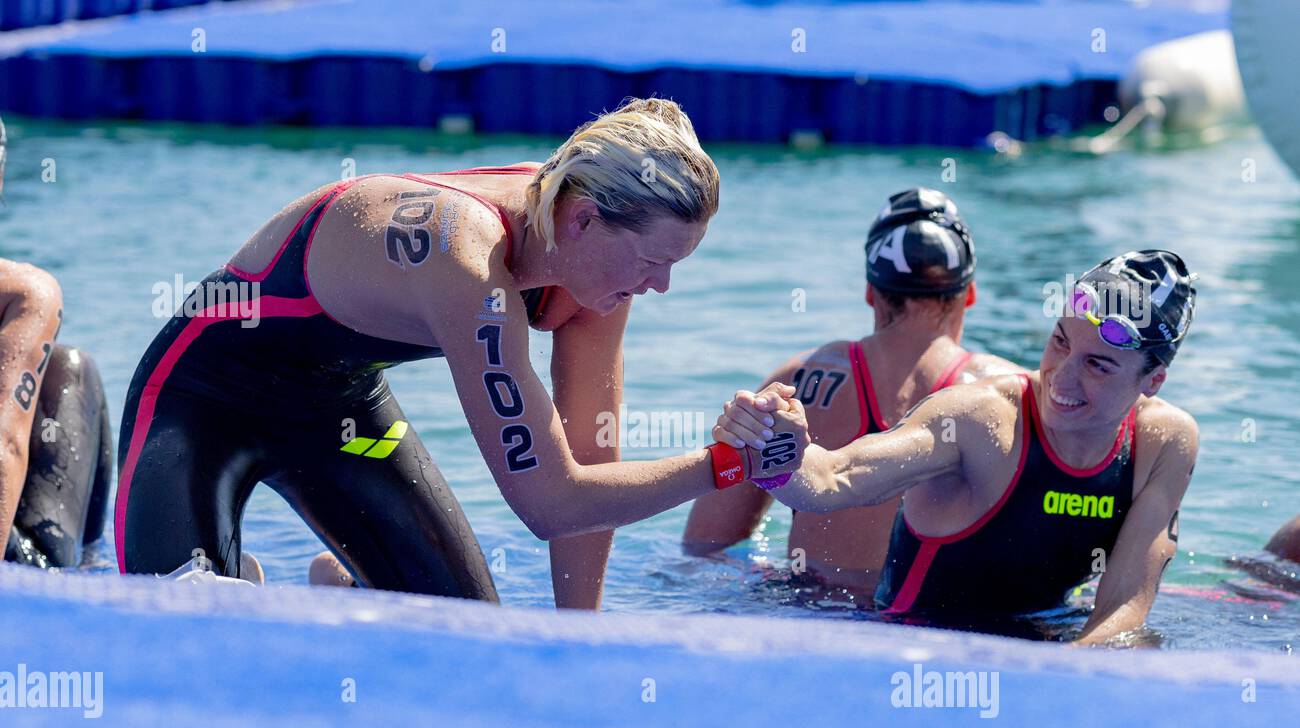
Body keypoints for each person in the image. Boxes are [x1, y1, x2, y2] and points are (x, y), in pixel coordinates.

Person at [115, 98, 803, 606]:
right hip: (205, 396)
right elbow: (550, 502)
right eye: (654, 260)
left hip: (341, 409)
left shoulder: (590, 271)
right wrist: (726, 463)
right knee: (184, 627)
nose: (661, 285)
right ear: (584, 217)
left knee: (464, 635)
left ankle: (336, 593)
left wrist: (580, 641)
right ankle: (267, 595)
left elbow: (589, 466)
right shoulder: (468, 262)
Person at [713, 250, 1200, 643]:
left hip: (1048, 644)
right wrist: (775, 452)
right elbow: (832, 480)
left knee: (1145, 645)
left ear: (1153, 380)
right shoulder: (979, 419)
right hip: (918, 651)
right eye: (1059, 341)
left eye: (1099, 365)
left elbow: (1124, 608)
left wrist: (1058, 681)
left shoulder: (1165, 441)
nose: (1062, 376)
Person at [683, 188, 1021, 597]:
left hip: (812, 612)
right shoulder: (1007, 395)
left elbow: (704, 546)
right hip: (939, 627)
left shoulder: (795, 382)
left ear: (870, 293)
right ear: (969, 295)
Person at [0, 115, 114, 571]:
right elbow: (4, 441)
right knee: (71, 369)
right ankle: (87, 569)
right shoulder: (21, 290)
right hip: (19, 568)